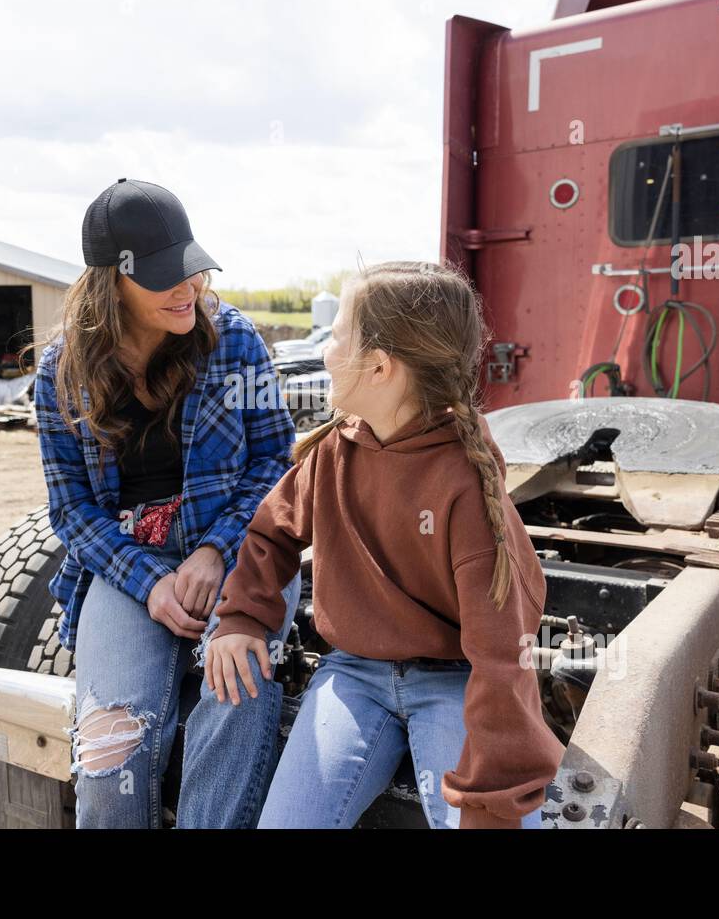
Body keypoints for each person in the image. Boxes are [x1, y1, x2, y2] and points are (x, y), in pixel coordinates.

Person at [202, 260, 565, 828]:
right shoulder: (331, 452)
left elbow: (502, 656)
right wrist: (243, 617)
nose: (324, 352)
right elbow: (271, 532)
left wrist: (493, 801)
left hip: (454, 682)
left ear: (378, 367)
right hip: (352, 676)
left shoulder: (466, 484)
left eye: (338, 335)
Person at [30, 178, 301, 828]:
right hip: (129, 566)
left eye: (190, 268)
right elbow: (71, 512)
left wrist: (214, 550)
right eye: (163, 277)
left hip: (241, 552)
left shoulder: (234, 342)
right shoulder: (59, 372)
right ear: (111, 280)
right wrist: (153, 582)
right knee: (110, 745)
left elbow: (273, 460)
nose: (188, 288)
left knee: (236, 689)